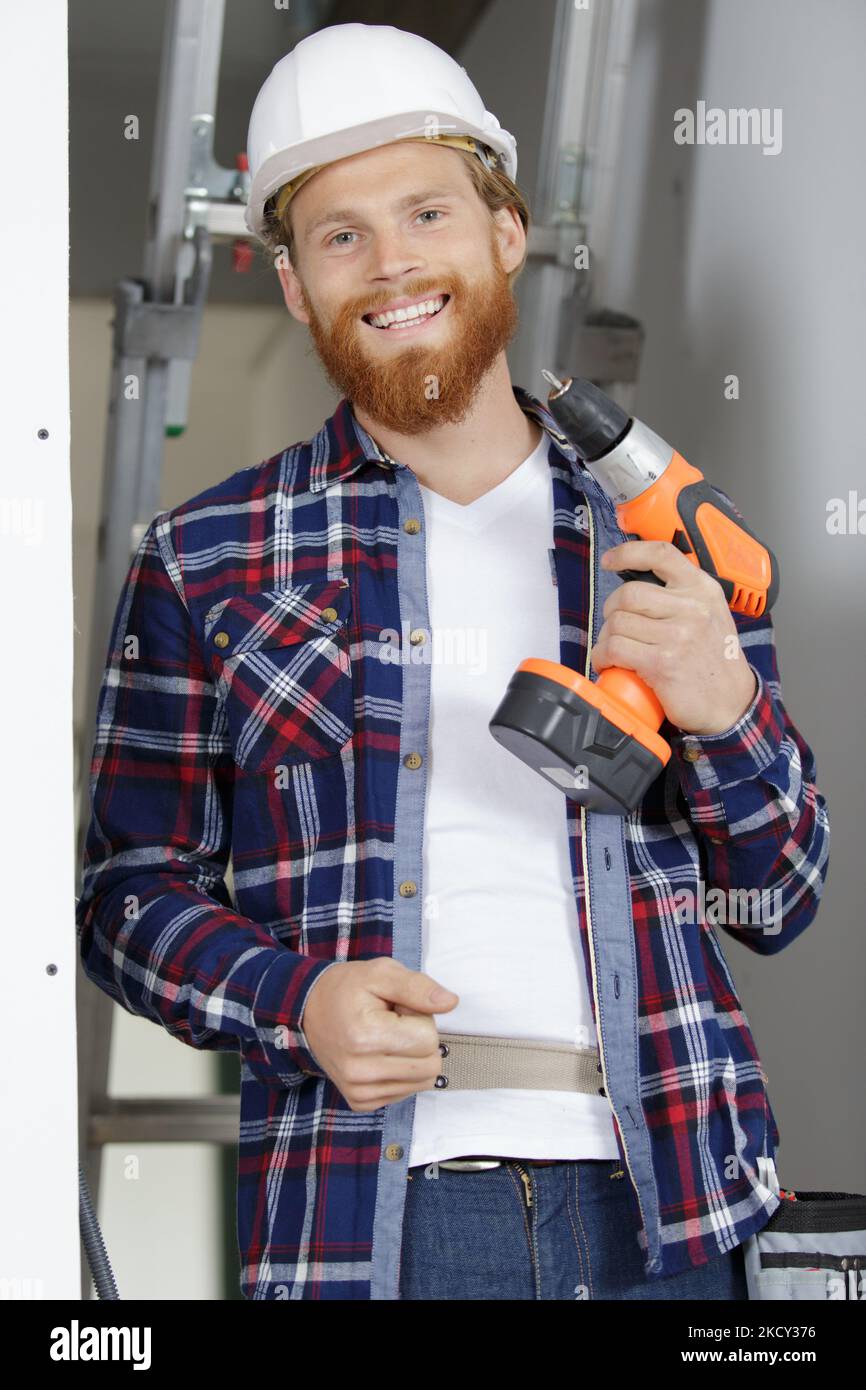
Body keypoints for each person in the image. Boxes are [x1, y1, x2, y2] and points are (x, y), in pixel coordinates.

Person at [76, 23, 829, 1301]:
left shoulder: (661, 541)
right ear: (297, 286)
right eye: (341, 235)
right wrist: (293, 1002)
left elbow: (783, 894)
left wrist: (727, 709)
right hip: (371, 1217)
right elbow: (124, 897)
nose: (391, 263)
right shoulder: (206, 558)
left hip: (675, 1206)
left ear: (504, 231)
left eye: (426, 211)